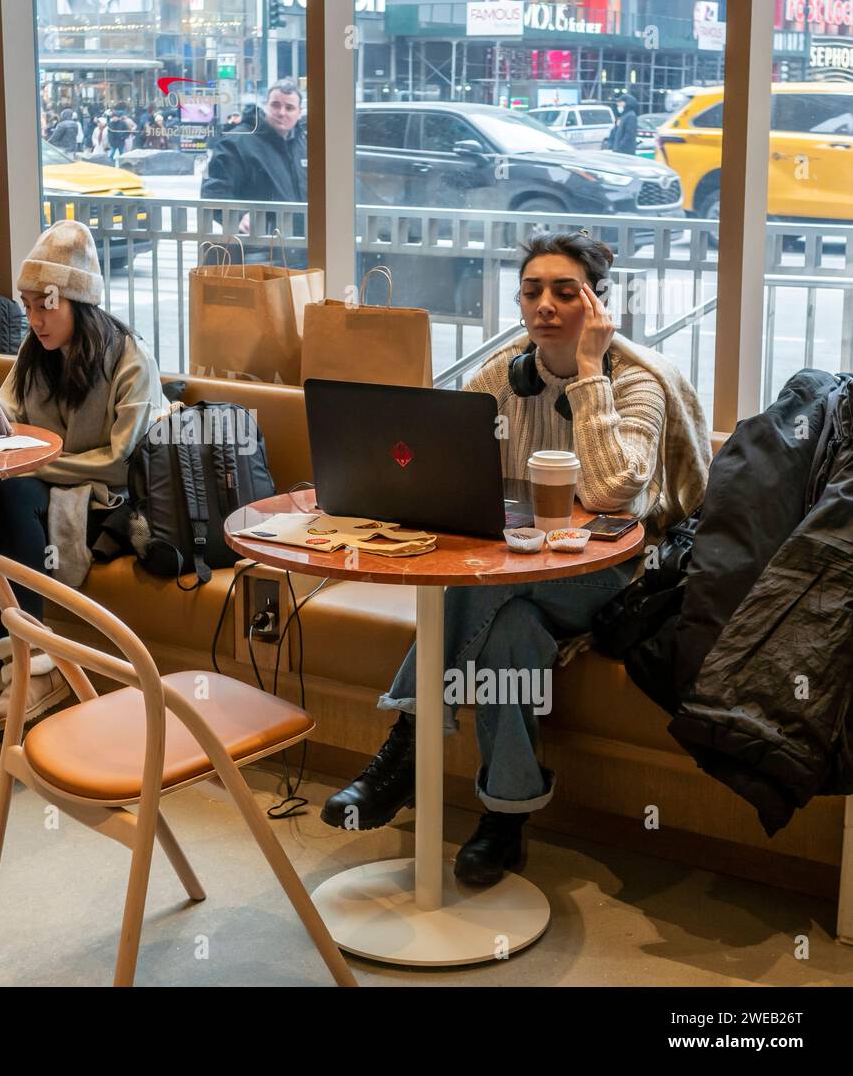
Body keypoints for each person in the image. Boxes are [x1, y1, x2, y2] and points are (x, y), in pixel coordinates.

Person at [321, 231, 711, 886]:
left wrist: (590, 374)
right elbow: (444, 462)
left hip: (618, 577)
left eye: (566, 291)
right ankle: (504, 819)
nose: (546, 305)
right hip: (523, 577)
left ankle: (403, 750)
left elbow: (613, 489)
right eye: (532, 291)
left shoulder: (637, 380)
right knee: (509, 635)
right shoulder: (501, 376)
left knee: (471, 591)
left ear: (598, 303)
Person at [0, 220, 168, 757]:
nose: (33, 320)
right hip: (45, 488)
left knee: (8, 502)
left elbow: (121, 462)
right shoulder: (32, 357)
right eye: (27, 306)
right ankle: (4, 682)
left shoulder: (129, 357)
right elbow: (6, 415)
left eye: (45, 306)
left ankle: (27, 674)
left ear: (78, 301)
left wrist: (36, 462)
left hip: (112, 502)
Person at [202, 80, 307, 237]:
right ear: (265, 106)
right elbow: (214, 191)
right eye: (276, 105)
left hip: (303, 246)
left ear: (299, 113)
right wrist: (238, 217)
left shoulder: (303, 142)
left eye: (290, 108)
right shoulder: (237, 142)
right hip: (260, 247)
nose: (282, 112)